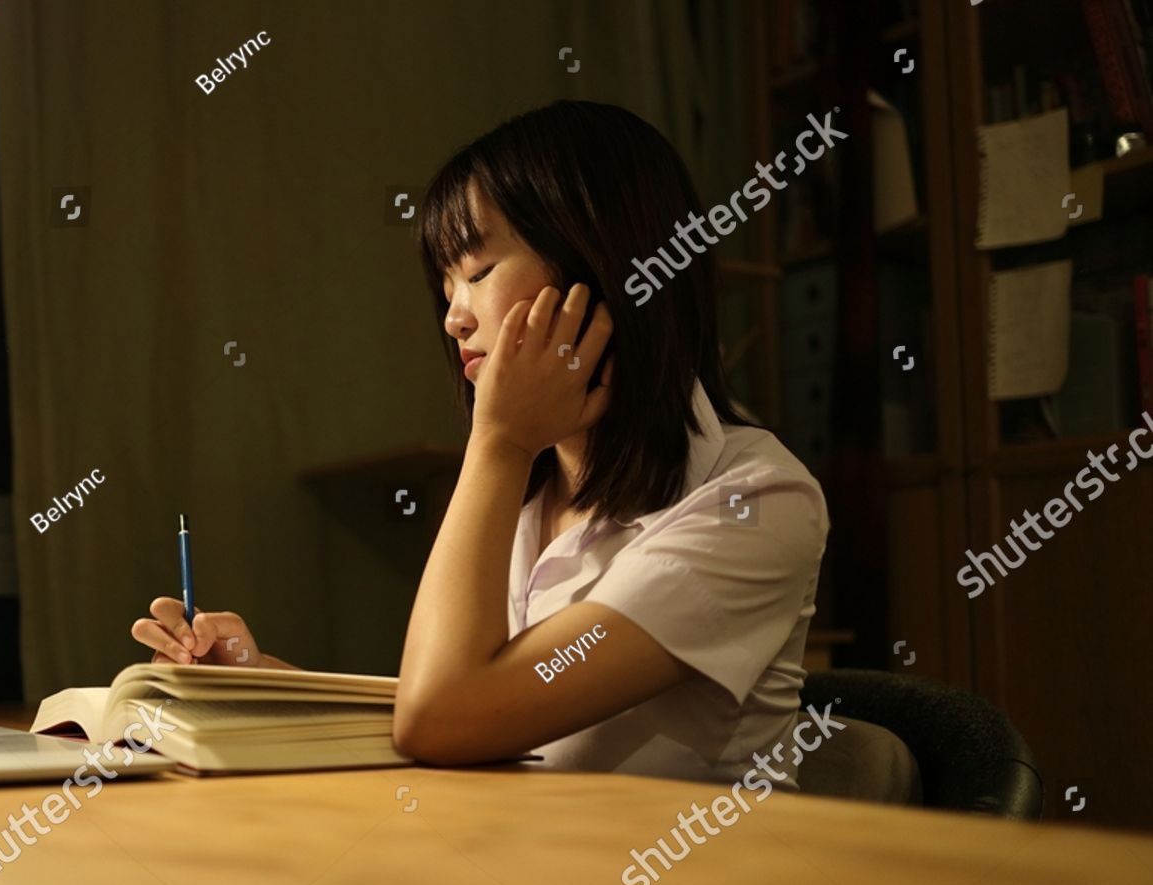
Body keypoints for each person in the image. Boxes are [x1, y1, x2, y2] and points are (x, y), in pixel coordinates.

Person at [133, 100, 828, 786]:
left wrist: (496, 445)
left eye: (477, 272)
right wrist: (254, 684)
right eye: (444, 287)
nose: (454, 319)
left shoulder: (757, 500)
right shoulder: (527, 492)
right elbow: (446, 713)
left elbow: (442, 718)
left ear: (601, 264)